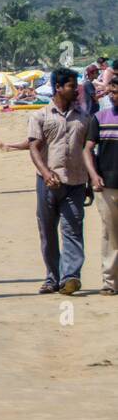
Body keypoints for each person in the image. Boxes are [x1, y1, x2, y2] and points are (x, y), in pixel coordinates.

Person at [28, 68, 94, 295]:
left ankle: (70, 277)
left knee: (73, 229)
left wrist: (89, 183)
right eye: (71, 86)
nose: (76, 90)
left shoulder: (84, 118)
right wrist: (46, 172)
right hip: (47, 184)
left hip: (75, 183)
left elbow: (87, 152)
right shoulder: (40, 115)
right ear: (58, 87)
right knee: (47, 231)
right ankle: (52, 277)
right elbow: (34, 148)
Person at [86, 79, 118, 295]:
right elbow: (87, 149)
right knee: (110, 233)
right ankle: (110, 282)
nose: (112, 95)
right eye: (111, 91)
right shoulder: (100, 118)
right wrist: (94, 175)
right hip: (107, 185)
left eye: (115, 91)